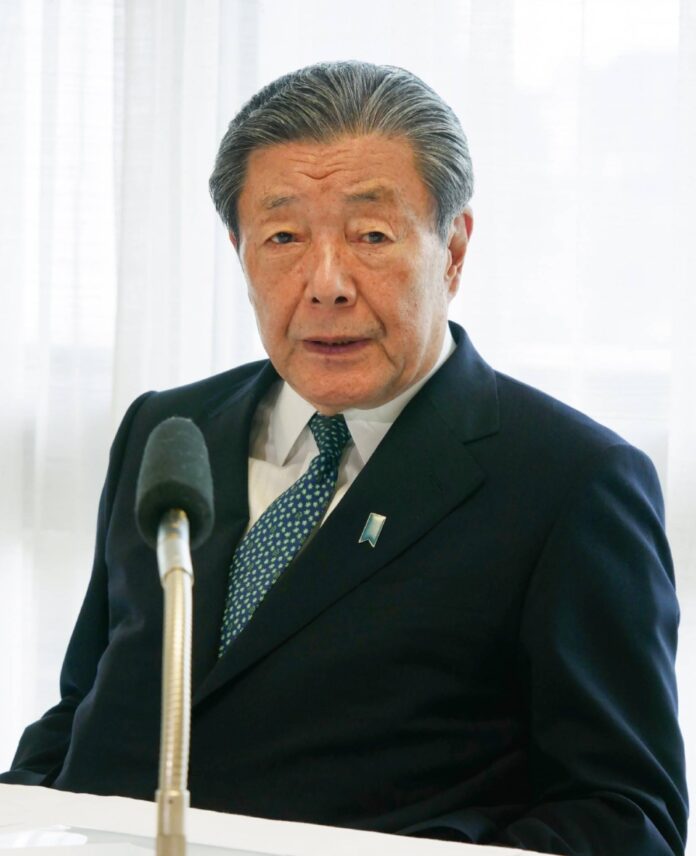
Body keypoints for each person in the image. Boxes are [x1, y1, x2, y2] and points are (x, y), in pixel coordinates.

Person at [0, 61, 688, 856]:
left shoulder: (571, 482)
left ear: (453, 250)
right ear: (240, 250)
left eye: (371, 236)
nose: (325, 284)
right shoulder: (169, 427)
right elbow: (87, 702)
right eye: (284, 237)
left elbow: (622, 818)